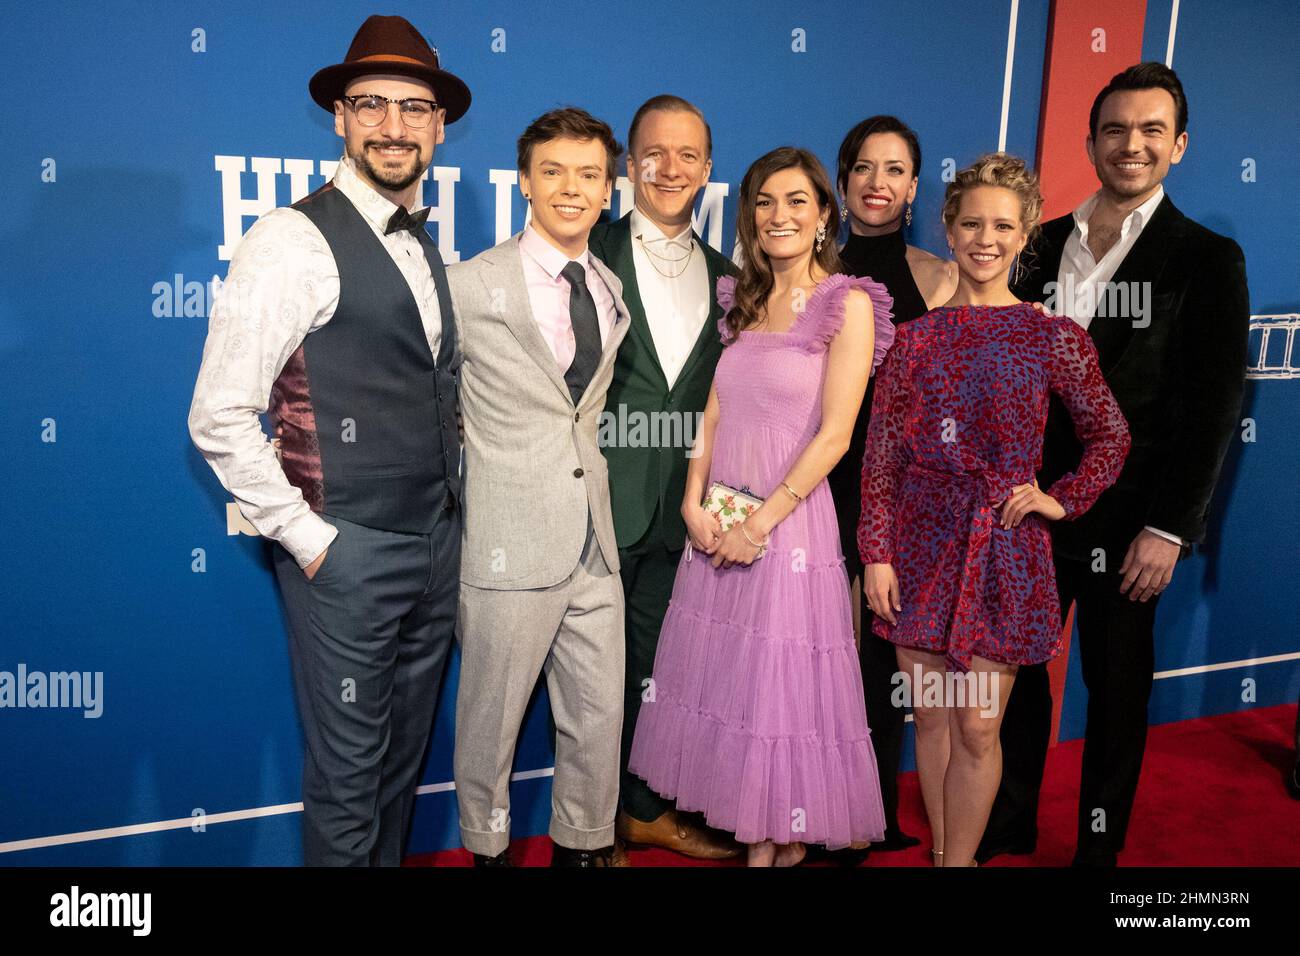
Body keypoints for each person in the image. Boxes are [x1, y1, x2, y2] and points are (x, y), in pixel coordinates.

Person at [188, 14, 469, 866]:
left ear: (440, 127)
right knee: (348, 791)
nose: (394, 126)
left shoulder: (424, 243)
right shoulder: (289, 239)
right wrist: (311, 542)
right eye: (373, 105)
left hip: (437, 551)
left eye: (414, 108)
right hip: (346, 555)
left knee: (396, 775)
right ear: (340, 119)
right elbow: (218, 413)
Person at [978, 63, 1251, 867]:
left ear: (1179, 145)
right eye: (1115, 129)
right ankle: (1010, 820)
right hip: (1029, 508)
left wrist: (1169, 528)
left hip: (1132, 519)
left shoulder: (1206, 259)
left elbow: (1211, 406)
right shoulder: (1041, 243)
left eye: (1151, 130)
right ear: (1091, 140)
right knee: (1020, 675)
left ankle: (1098, 849)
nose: (1131, 145)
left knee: (1117, 688)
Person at [860, 152, 1131, 868]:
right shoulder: (914, 340)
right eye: (971, 222)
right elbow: (882, 456)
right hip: (919, 545)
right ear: (948, 229)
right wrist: (877, 553)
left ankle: (957, 865)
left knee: (980, 728)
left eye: (1002, 226)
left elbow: (1111, 434)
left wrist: (1058, 498)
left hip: (1004, 552)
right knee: (936, 726)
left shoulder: (1052, 337)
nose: (985, 237)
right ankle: (951, 856)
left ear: (1025, 235)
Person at [629, 146, 894, 866]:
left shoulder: (850, 302)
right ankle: (762, 847)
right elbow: (714, 410)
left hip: (787, 527)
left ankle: (772, 852)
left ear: (823, 216)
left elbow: (837, 435)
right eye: (765, 203)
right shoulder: (740, 297)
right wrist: (692, 503)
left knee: (779, 695)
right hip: (717, 520)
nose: (779, 216)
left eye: (796, 202)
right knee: (734, 689)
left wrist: (760, 524)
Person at [450, 107, 631, 868]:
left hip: (595, 538)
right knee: (489, 726)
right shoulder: (469, 284)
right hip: (506, 542)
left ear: (608, 188)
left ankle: (583, 849)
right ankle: (488, 852)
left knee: (598, 718)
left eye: (589, 175)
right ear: (524, 181)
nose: (571, 189)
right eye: (553, 171)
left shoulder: (609, 285)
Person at [587, 95, 739, 864]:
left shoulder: (734, 281)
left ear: (709, 171)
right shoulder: (585, 250)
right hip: (594, 504)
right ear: (628, 165)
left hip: (685, 513)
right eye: (654, 153)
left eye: (688, 156)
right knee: (586, 675)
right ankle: (585, 823)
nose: (671, 169)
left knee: (655, 670)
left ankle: (641, 810)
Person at [824, 114, 956, 856]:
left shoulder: (939, 276)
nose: (879, 183)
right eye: (865, 168)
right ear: (842, 183)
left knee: (885, 653)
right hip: (823, 480)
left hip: (906, 492)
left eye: (896, 170)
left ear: (913, 185)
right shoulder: (811, 273)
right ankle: (816, 804)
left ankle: (871, 813)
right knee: (822, 648)